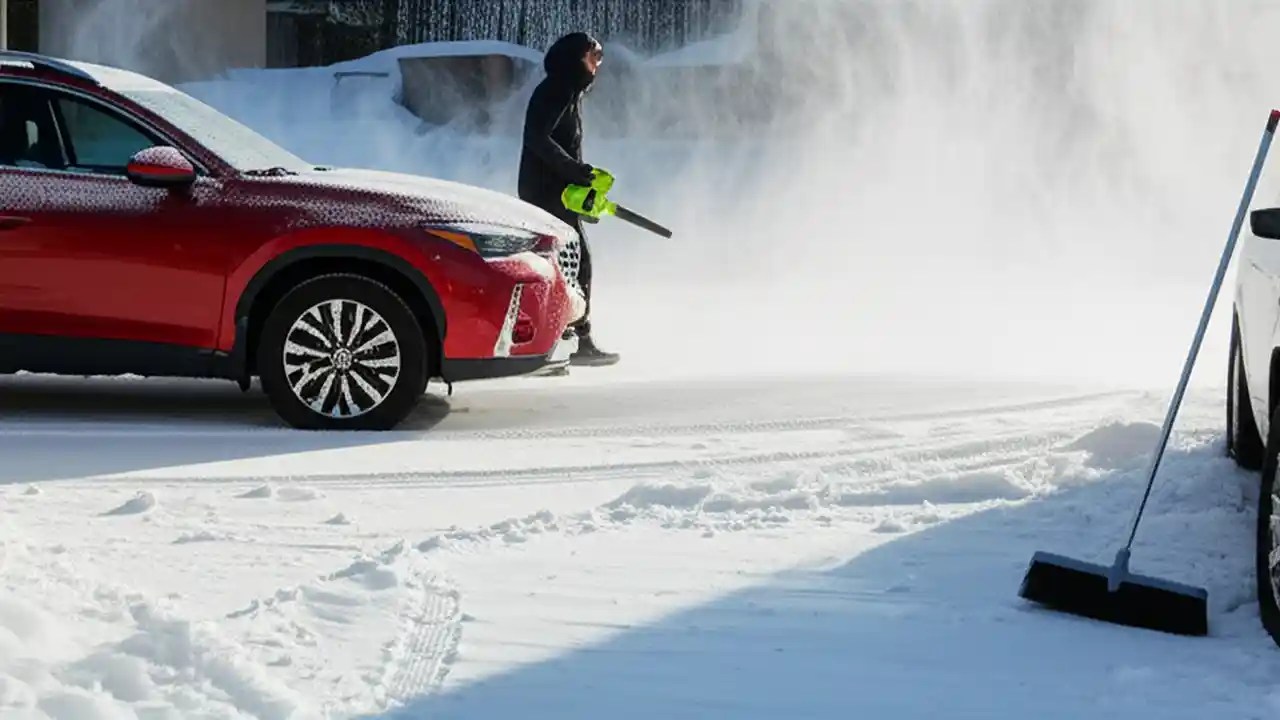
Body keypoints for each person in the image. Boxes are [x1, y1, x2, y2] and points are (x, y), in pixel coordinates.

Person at [518, 31, 619, 367]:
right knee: (573, 263)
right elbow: (537, 138)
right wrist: (576, 173)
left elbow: (556, 144)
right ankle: (573, 342)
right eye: (594, 55)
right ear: (575, 57)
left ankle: (565, 339)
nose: (598, 63)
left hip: (556, 191)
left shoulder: (567, 91)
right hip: (548, 193)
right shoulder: (558, 89)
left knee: (566, 265)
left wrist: (582, 188)